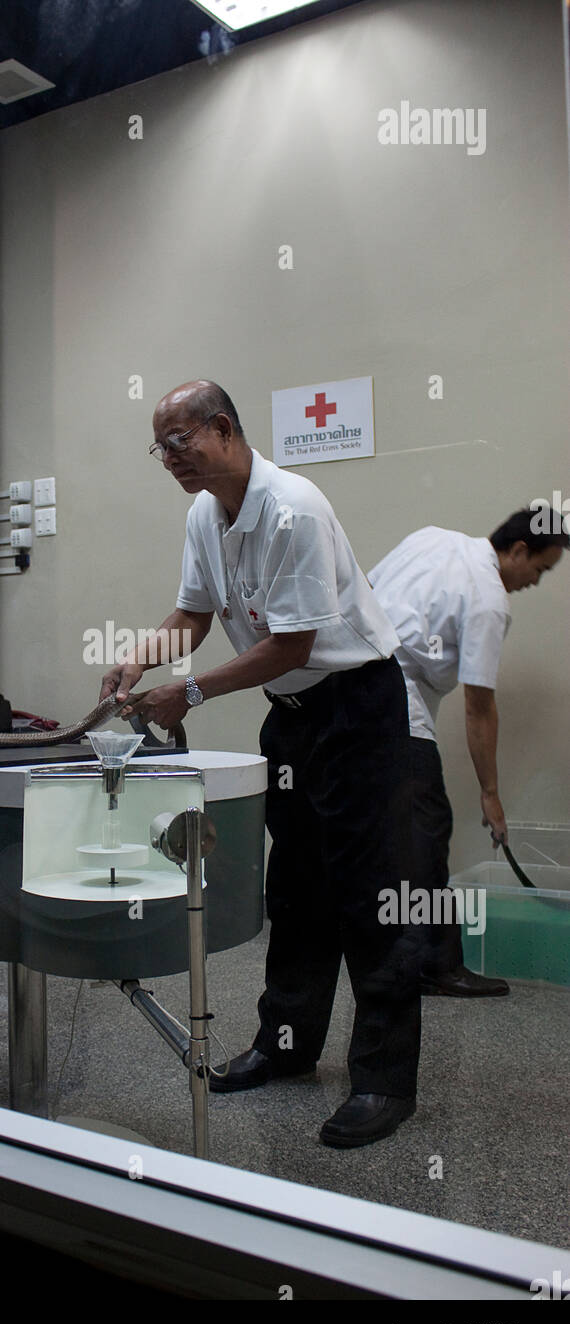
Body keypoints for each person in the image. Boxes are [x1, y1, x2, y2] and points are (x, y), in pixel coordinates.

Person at [101, 380, 421, 1148]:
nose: (171, 458)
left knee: (371, 896)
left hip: (359, 709)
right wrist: (136, 660)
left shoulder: (293, 508)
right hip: (297, 719)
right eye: (160, 446)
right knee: (299, 891)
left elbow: (293, 644)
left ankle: (383, 1082)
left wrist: (190, 693)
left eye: (182, 440)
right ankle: (287, 1048)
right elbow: (194, 614)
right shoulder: (204, 514)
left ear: (224, 428)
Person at [368, 510, 567, 996]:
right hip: (395, 701)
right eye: (539, 571)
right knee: (426, 833)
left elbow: (363, 593)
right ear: (518, 551)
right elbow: (480, 707)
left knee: (388, 834)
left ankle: (391, 953)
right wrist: (491, 795)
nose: (534, 583)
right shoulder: (489, 600)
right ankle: (435, 966)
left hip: (349, 688)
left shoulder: (430, 536)